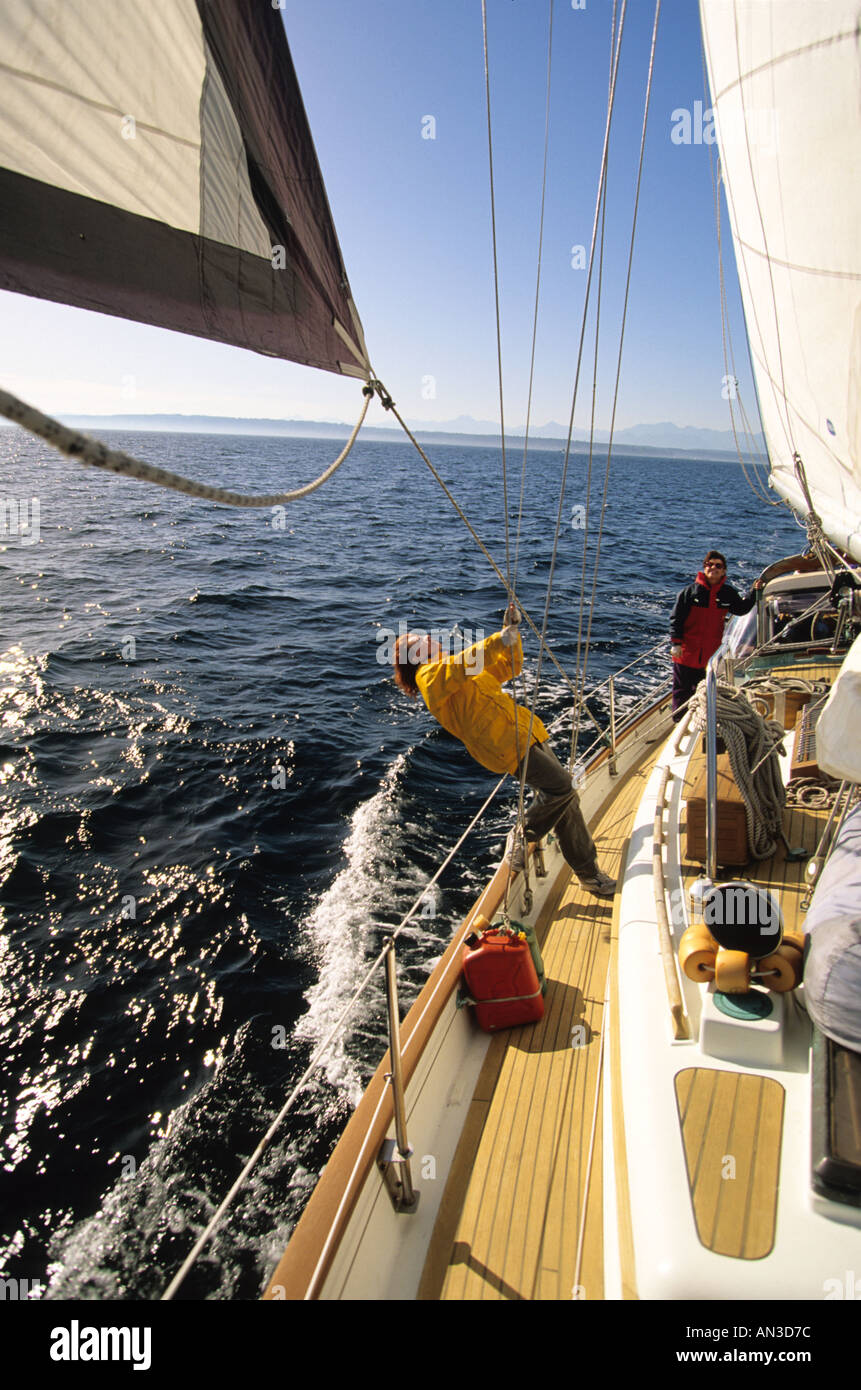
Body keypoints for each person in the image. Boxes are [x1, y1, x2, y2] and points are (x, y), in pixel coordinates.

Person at [392, 606, 616, 896]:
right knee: (562, 789)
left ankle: (588, 873)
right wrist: (498, 639)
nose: (425, 639)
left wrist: (512, 634)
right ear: (415, 656)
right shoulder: (430, 677)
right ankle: (522, 836)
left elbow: (509, 667)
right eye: (416, 642)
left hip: (526, 732)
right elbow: (460, 665)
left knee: (565, 803)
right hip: (505, 745)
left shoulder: (455, 668)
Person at [670, 551, 762, 721]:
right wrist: (676, 644)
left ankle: (701, 719)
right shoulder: (689, 593)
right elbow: (677, 619)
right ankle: (678, 722)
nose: (713, 568)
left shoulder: (727, 594)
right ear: (704, 567)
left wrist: (754, 594)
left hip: (709, 655)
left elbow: (741, 609)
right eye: (709, 564)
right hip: (686, 653)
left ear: (724, 571)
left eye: (718, 566)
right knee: (681, 691)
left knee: (704, 690)